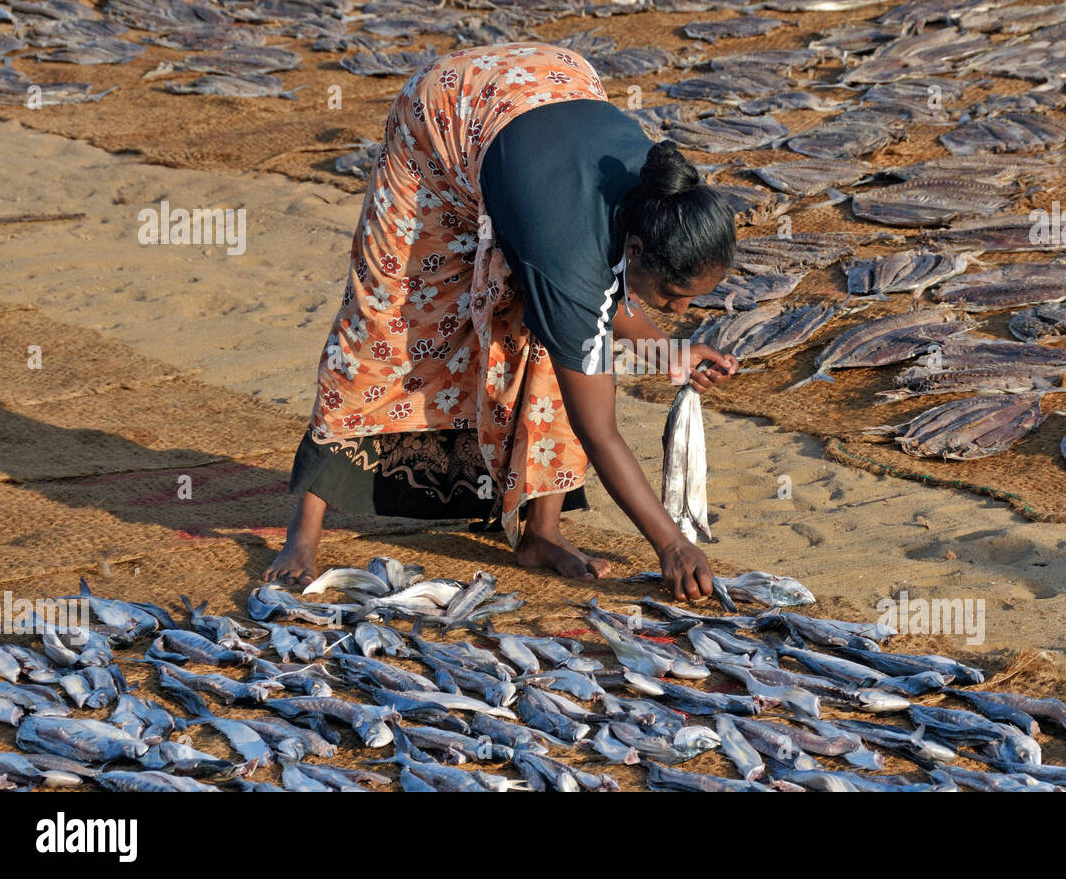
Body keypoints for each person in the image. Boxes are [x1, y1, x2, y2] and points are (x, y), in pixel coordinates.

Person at [262, 42, 738, 601]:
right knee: (384, 325)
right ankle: (304, 530)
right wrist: (671, 545)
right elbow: (599, 428)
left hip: (552, 84)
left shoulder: (660, 198)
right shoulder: (567, 255)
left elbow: (600, 297)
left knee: (550, 335)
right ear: (635, 248)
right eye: (674, 296)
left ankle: (541, 534)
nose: (678, 312)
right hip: (445, 116)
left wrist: (670, 352)